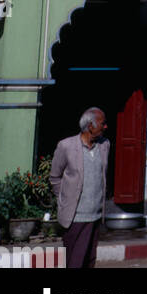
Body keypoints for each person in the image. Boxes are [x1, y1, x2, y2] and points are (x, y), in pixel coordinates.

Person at [50, 107, 110, 269]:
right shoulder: (66, 146)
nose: (105, 127)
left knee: (89, 260)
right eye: (102, 123)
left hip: (96, 215)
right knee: (74, 262)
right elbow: (55, 177)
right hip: (75, 218)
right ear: (90, 126)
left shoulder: (104, 146)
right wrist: (63, 200)